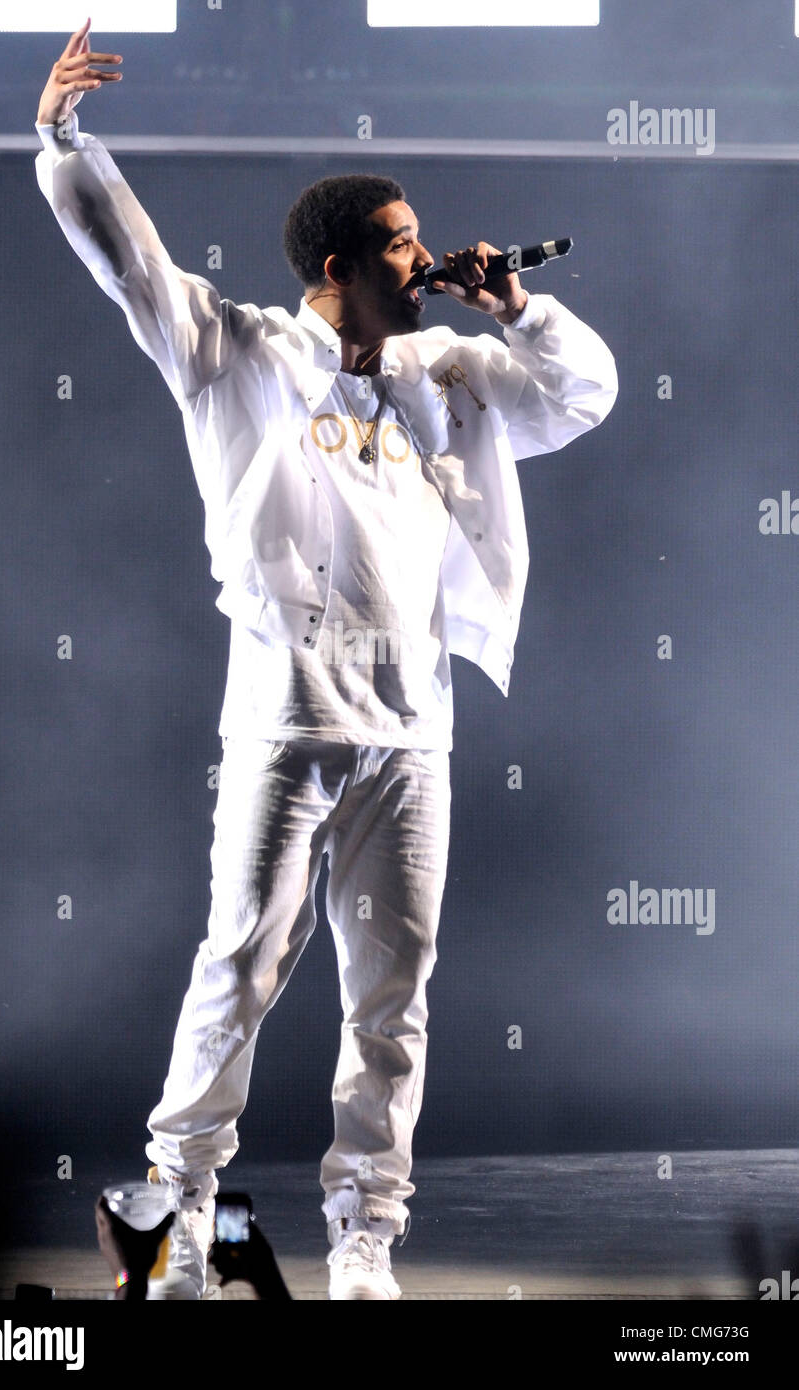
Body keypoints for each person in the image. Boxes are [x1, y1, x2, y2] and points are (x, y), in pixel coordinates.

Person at [36, 18, 618, 1301]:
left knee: (390, 1001)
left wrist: (514, 305)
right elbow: (129, 263)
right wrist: (65, 140)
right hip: (289, 723)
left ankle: (364, 1240)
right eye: (406, 241)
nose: (428, 255)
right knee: (239, 964)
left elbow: (582, 397)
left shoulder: (448, 369)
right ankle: (174, 1221)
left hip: (414, 736)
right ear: (341, 262)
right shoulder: (239, 355)